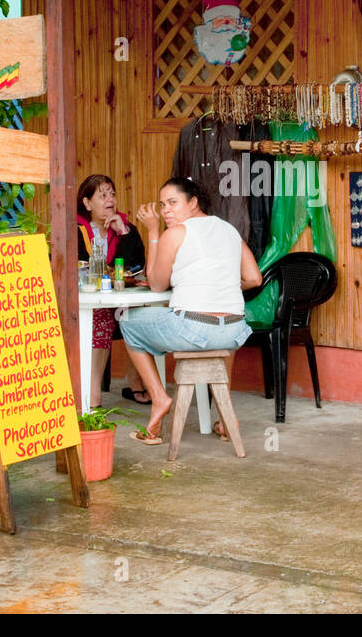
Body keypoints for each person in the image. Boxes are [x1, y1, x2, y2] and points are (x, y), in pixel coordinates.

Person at [120, 177, 262, 445]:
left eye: (173, 203)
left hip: (193, 328)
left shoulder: (175, 233)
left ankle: (159, 398)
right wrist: (221, 288)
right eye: (162, 205)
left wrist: (152, 231)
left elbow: (157, 285)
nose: (165, 211)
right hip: (234, 331)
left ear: (193, 202)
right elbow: (254, 278)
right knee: (220, 336)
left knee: (127, 322)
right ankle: (225, 418)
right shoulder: (229, 230)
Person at [76, 175, 146, 407]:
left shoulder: (126, 229)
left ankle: (135, 379)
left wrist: (123, 232)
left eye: (112, 194)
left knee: (139, 312)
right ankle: (93, 392)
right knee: (102, 315)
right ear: (87, 203)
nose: (110, 200)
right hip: (86, 302)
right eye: (102, 195)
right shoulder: (75, 231)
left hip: (119, 299)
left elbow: (134, 266)